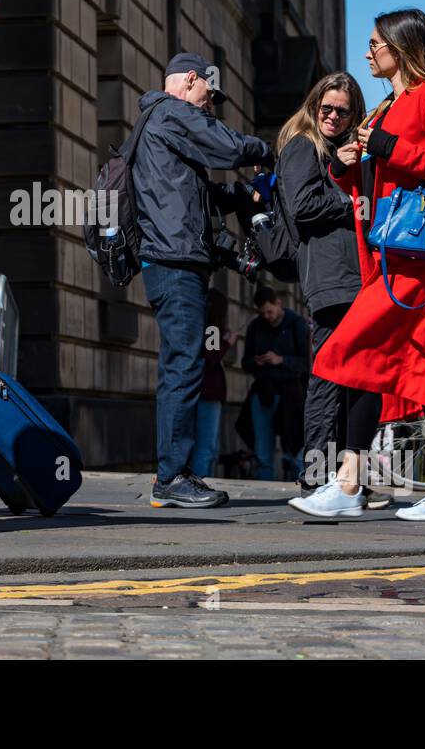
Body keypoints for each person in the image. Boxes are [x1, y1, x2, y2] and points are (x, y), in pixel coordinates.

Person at [289, 9, 425, 522]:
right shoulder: (384, 108)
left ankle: (349, 482)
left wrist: (390, 147)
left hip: (421, 260)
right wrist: (341, 167)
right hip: (390, 259)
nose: (368, 52)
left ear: (400, 46)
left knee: (355, 350)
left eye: (376, 44)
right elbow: (374, 183)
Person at [133, 51, 271, 508]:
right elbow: (228, 147)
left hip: (175, 263)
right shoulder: (171, 111)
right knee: (183, 366)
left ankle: (176, 472)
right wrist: (269, 151)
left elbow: (195, 201)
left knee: (183, 363)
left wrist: (237, 195)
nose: (209, 106)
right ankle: (171, 478)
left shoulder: (160, 126)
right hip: (174, 267)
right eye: (208, 96)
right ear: (191, 80)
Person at [275, 72, 366, 494]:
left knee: (352, 377)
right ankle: (315, 475)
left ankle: (344, 480)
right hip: (330, 278)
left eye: (341, 111)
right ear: (314, 106)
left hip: (350, 276)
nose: (332, 116)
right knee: (329, 376)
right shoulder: (301, 146)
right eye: (326, 108)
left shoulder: (333, 151)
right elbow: (303, 206)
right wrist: (349, 200)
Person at [241, 287, 309, 480]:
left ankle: (302, 485)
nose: (267, 316)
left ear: (279, 303)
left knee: (294, 447)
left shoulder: (296, 324)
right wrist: (257, 361)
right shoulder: (256, 327)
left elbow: (307, 363)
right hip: (263, 392)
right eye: (262, 313)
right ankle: (265, 484)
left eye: (269, 311)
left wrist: (281, 360)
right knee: (263, 450)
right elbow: (245, 362)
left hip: (290, 393)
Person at [188, 288, 233, 478]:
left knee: (206, 446)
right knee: (206, 447)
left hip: (202, 392)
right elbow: (211, 358)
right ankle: (201, 482)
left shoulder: (199, 327)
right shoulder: (213, 330)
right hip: (208, 393)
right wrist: (228, 342)